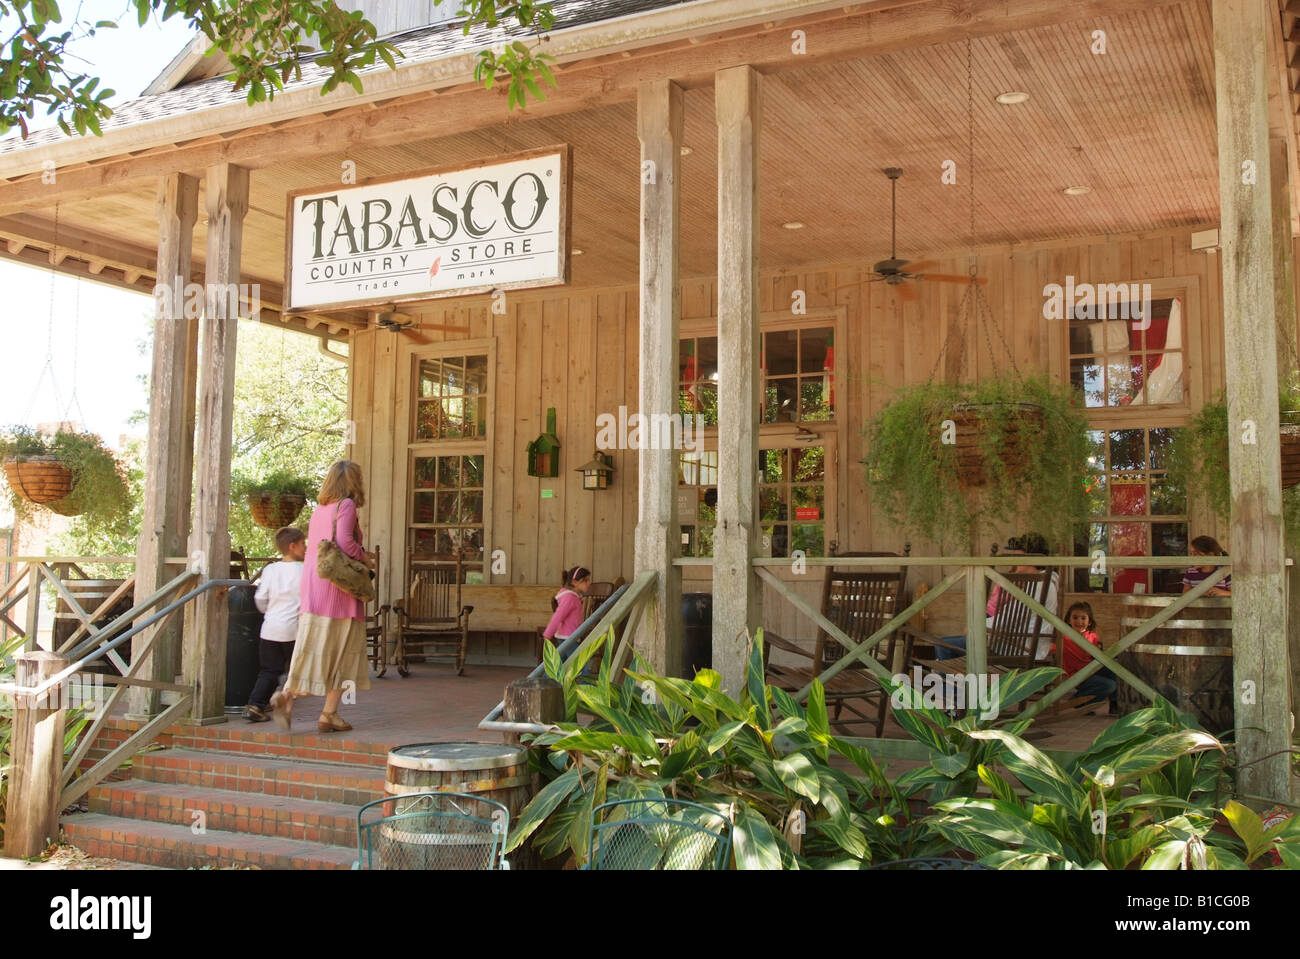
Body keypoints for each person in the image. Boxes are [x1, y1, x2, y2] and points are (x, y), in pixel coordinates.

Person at [271, 460, 376, 734]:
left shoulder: (321, 509)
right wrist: (367, 559)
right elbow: (345, 543)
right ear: (354, 482)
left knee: (314, 648)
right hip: (339, 591)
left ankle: (292, 700)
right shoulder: (347, 505)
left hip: (315, 589)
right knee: (343, 651)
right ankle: (325, 712)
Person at [934, 533, 1059, 662]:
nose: (1015, 563)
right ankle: (962, 680)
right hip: (1021, 643)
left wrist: (975, 626)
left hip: (1018, 649)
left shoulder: (1039, 587)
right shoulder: (1045, 583)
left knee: (944, 645)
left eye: (1018, 557)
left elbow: (1006, 620)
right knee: (946, 643)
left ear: (1031, 559)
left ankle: (958, 682)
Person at [244, 527, 306, 723]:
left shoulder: (270, 569)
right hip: (294, 628)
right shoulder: (304, 570)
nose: (306, 548)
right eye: (303, 544)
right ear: (292, 546)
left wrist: (269, 613)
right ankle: (282, 698)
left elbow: (260, 598)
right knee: (296, 670)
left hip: (270, 627)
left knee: (269, 670)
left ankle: (256, 704)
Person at [1058, 601, 1116, 706]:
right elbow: (1048, 648)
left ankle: (1115, 703)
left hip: (1092, 670)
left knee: (1116, 668)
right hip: (1077, 675)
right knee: (1109, 685)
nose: (1079, 621)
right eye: (1075, 618)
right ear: (1069, 620)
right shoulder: (1063, 638)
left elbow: (1097, 657)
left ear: (1089, 622)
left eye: (1083, 618)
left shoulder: (1093, 637)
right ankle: (1078, 700)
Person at [542, 565, 592, 645]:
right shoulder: (569, 598)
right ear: (574, 582)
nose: (589, 583)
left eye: (589, 580)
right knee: (576, 658)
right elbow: (558, 616)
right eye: (586, 580)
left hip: (569, 637)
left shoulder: (573, 598)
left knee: (563, 658)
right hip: (568, 639)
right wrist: (547, 634)